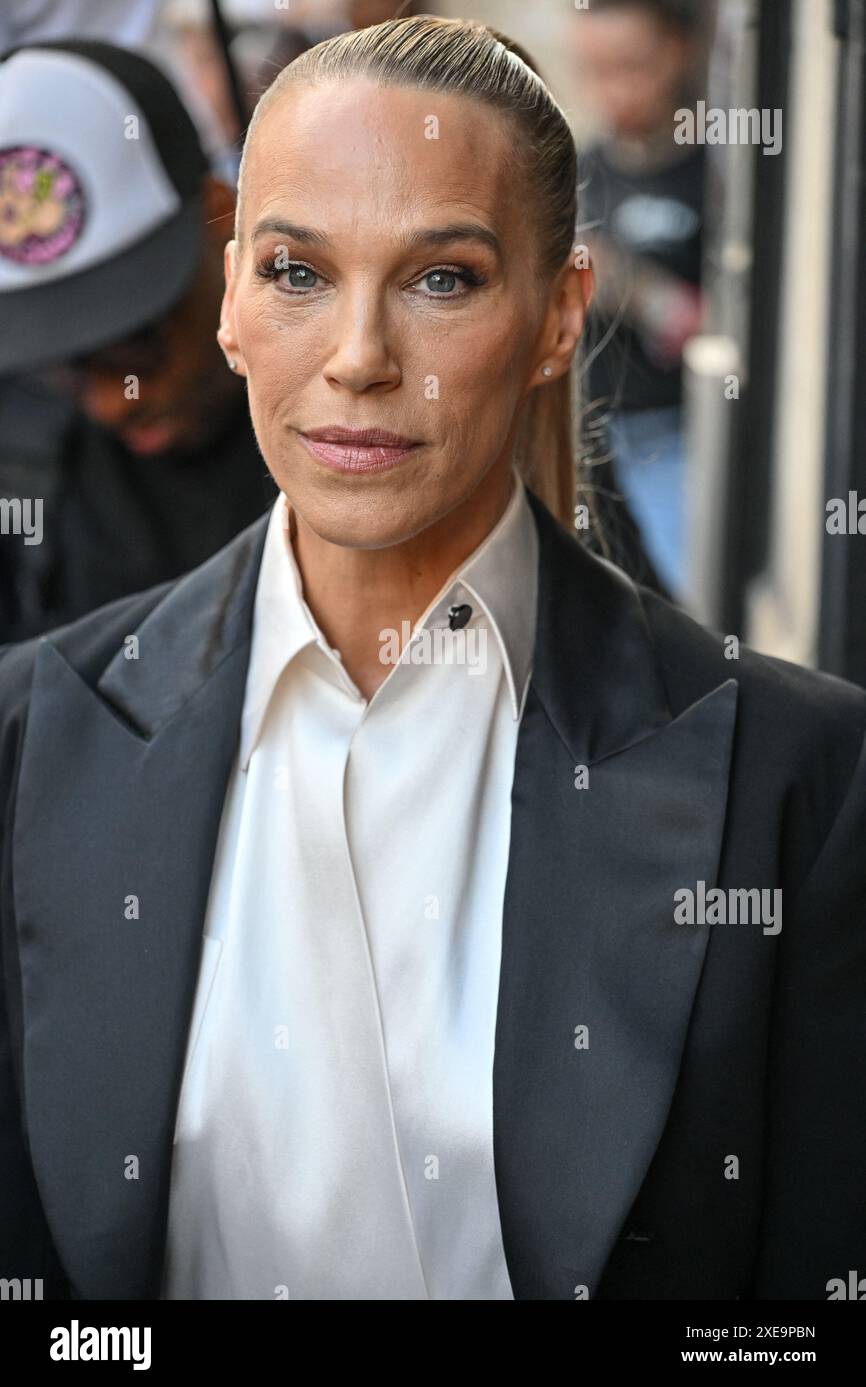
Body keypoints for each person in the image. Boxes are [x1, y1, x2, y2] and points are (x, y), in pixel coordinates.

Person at [1, 15, 865, 1302]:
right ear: (231, 291)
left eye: (442, 278)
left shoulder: (797, 780)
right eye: (296, 271)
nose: (357, 357)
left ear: (559, 314)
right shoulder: (30, 743)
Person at [0, 41, 277, 642]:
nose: (109, 402)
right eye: (62, 364)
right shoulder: (24, 480)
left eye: (135, 344)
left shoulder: (351, 428)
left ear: (222, 217)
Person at [571, 0, 707, 598]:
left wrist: (635, 289)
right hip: (587, 439)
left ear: (679, 50)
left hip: (674, 437)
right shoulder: (580, 172)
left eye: (633, 67)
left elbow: (722, 330)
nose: (616, 91)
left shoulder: (714, 174)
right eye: (597, 72)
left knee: (682, 601)